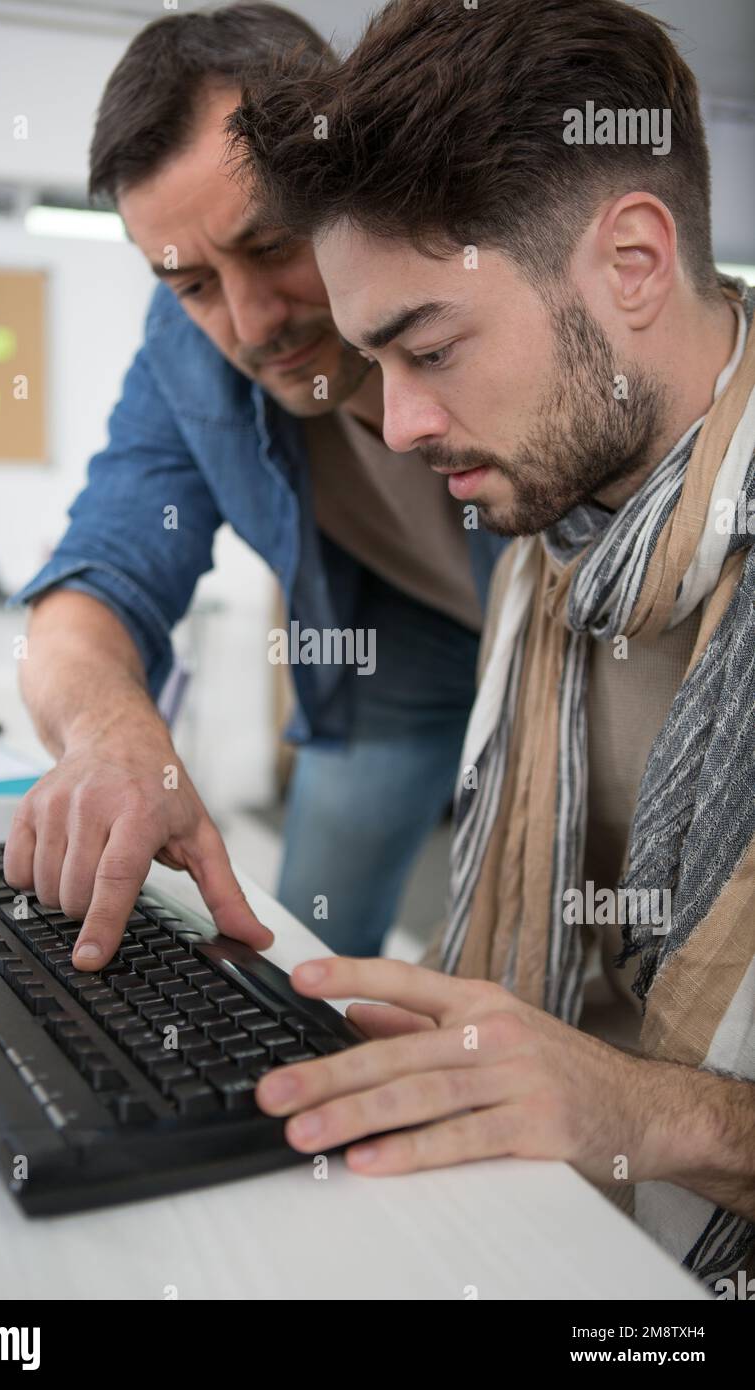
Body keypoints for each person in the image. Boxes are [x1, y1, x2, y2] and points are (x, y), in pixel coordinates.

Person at [230, 0, 755, 1286]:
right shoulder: (546, 550)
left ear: (631, 263)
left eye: (431, 347)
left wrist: (640, 1110)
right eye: (373, 361)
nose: (398, 425)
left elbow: (625, 1092)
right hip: (546, 1231)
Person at [4, 4, 505, 963]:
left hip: (583, 642)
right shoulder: (185, 357)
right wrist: (111, 733)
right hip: (390, 654)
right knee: (298, 949)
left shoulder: (488, 255)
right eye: (189, 281)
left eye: (272, 245)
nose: (251, 321)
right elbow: (98, 575)